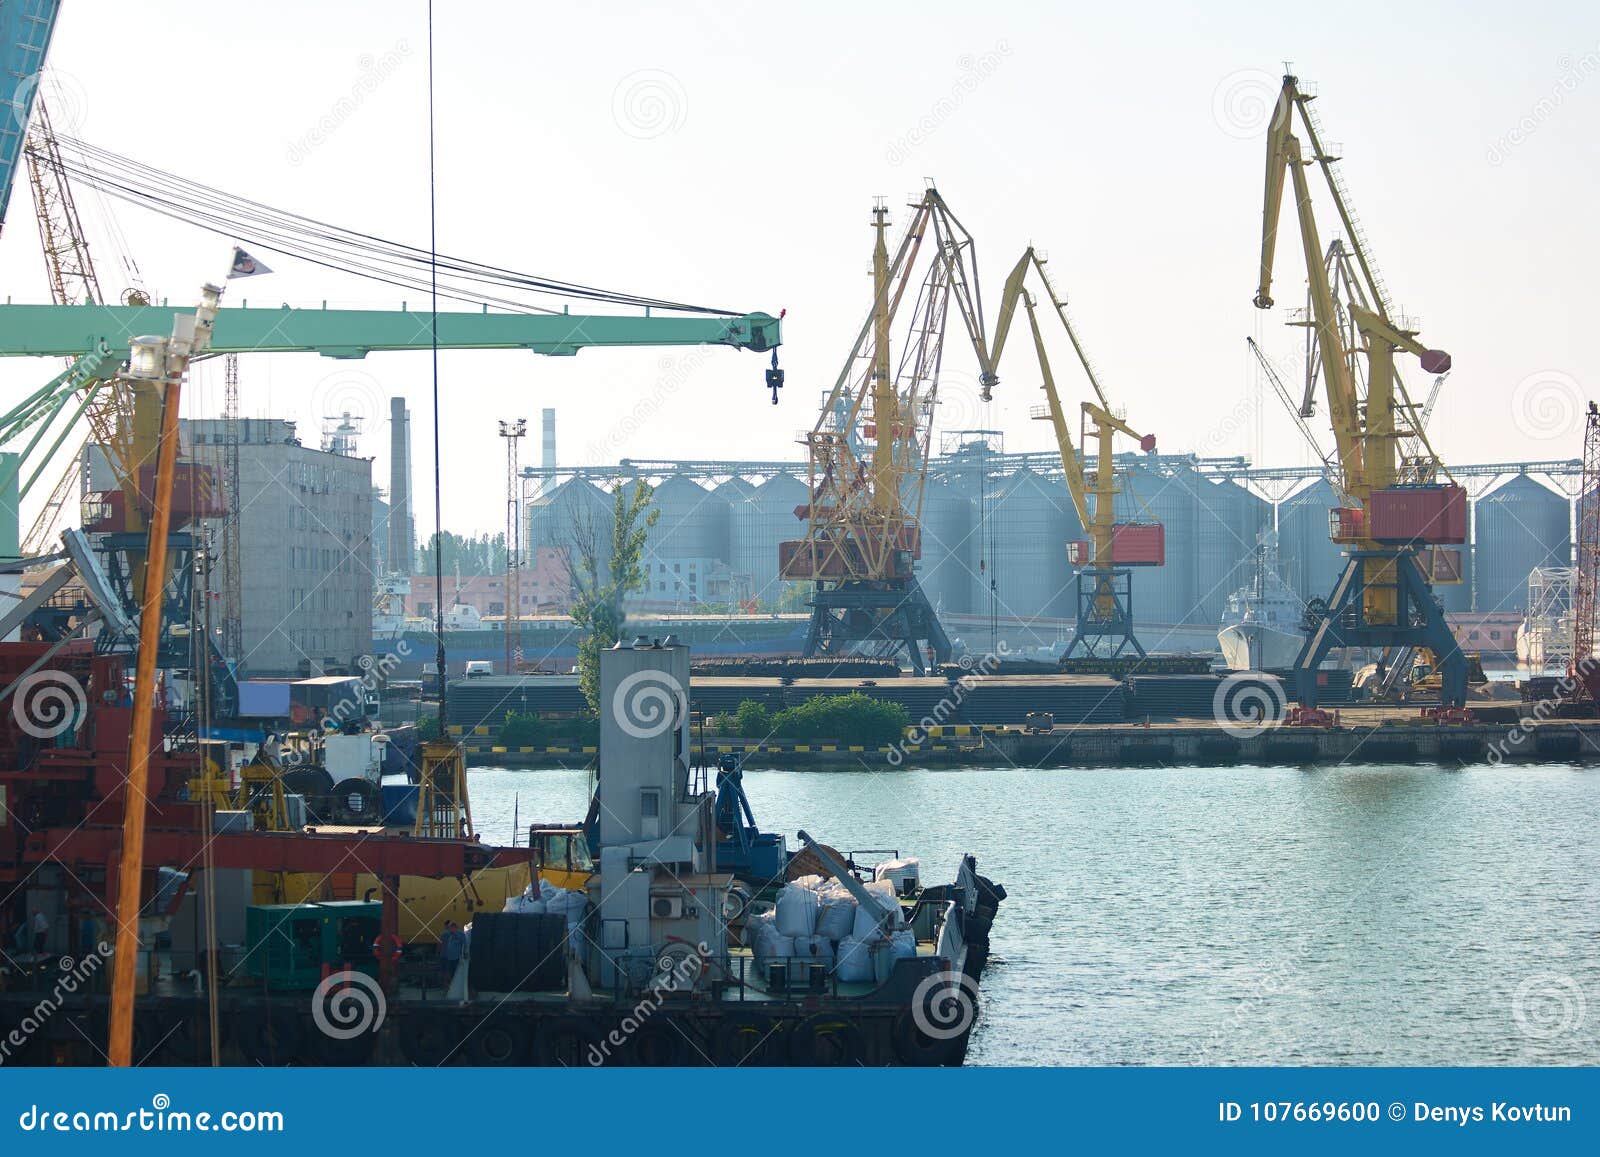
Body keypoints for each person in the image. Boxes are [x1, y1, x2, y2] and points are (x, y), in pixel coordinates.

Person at [438, 921, 466, 990]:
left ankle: (453, 986)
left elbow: (464, 943)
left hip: (456, 958)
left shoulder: (460, 934)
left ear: (455, 927)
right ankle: (446, 986)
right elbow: (440, 943)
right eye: (449, 928)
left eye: (451, 928)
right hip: (447, 957)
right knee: (446, 971)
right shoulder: (447, 934)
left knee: (454, 972)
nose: (449, 929)